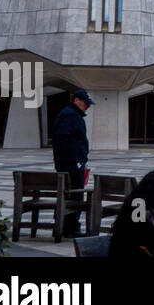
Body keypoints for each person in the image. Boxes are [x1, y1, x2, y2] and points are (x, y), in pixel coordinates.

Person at [51, 89, 93, 237]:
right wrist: (74, 161)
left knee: (68, 194)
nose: (87, 106)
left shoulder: (70, 114)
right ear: (77, 100)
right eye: (85, 103)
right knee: (75, 195)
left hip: (70, 162)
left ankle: (63, 225)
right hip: (71, 164)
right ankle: (70, 228)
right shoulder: (71, 116)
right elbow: (62, 138)